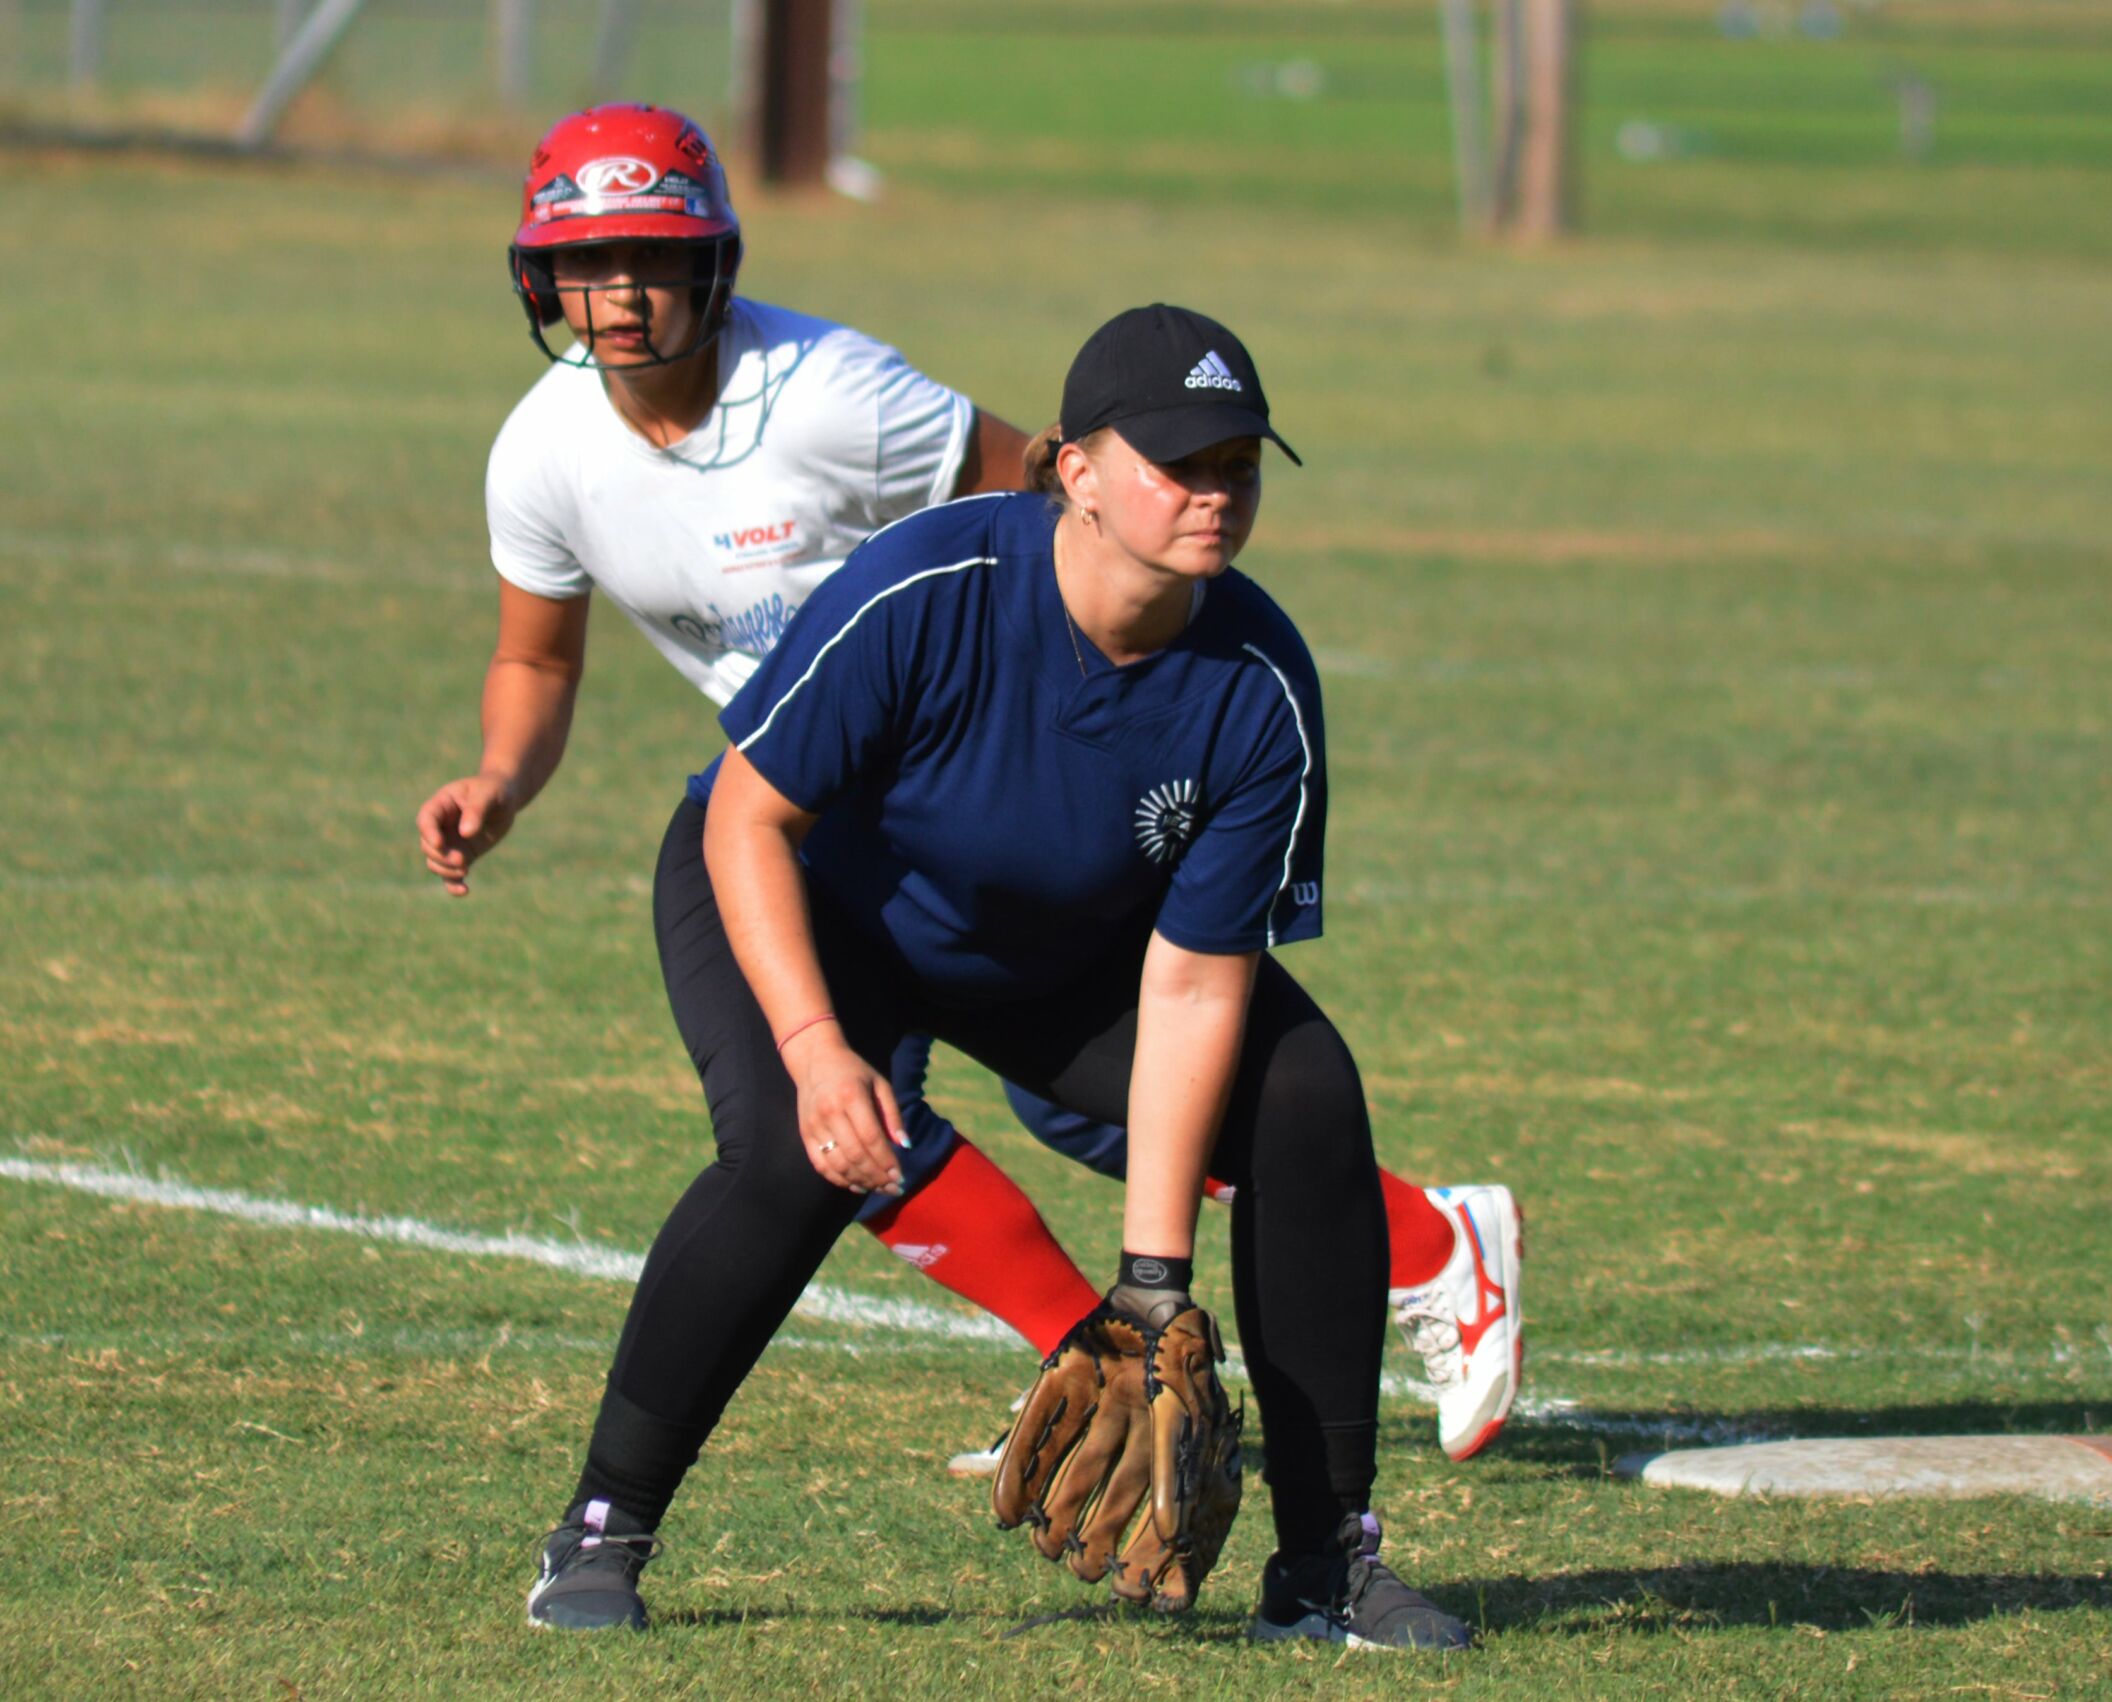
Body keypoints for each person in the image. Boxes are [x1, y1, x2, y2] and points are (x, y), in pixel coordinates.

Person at [421, 100, 1523, 1464]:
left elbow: (1046, 491)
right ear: (540, 278)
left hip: (970, 779)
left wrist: (1062, 693)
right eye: (588, 263)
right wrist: (501, 778)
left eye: (654, 255)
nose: (623, 292)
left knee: (1101, 1090)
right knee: (840, 1116)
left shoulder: (829, 394)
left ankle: (1417, 1247)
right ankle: (1100, 1358)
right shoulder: (539, 453)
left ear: (717, 259)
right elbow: (537, 657)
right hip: (819, 818)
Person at [526, 301, 1473, 1647]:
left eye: (1239, 464)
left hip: (1048, 951)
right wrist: (812, 1047)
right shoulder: (933, 585)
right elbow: (748, 818)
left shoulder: (1257, 683)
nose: (1215, 492)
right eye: (1178, 462)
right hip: (814, 904)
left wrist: (1151, 1287)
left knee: (1301, 1088)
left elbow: (1197, 985)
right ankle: (603, 1527)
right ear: (1075, 469)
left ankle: (1328, 1564)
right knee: (805, 1158)